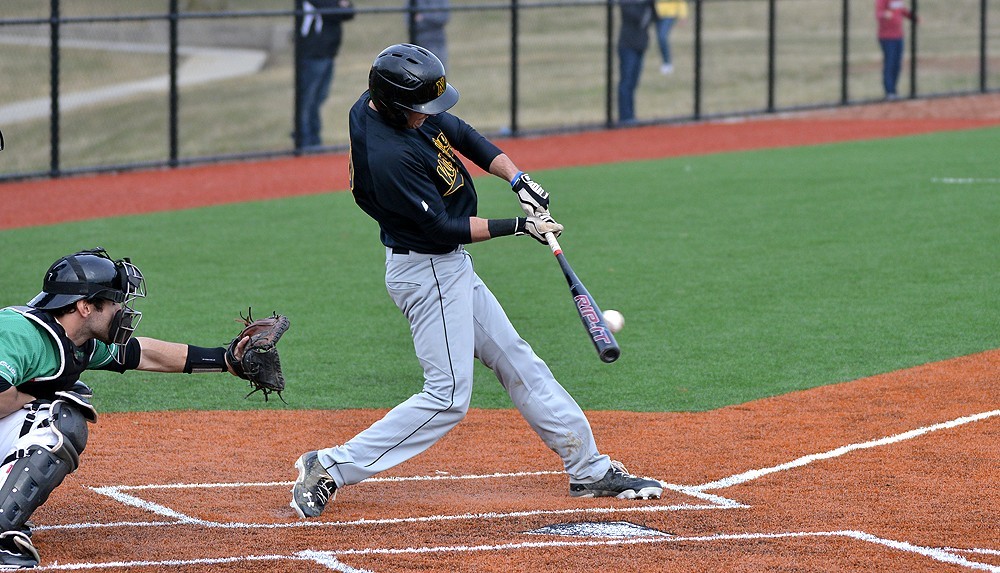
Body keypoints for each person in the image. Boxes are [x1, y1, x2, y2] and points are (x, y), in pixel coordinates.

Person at [289, 44, 664, 519]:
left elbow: (459, 131)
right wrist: (519, 225)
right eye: (421, 109)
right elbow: (441, 229)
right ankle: (329, 466)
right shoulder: (387, 158)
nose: (430, 116)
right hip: (425, 271)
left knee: (517, 359)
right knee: (446, 396)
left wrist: (516, 178)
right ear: (393, 106)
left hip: (447, 267)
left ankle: (588, 468)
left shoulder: (385, 107)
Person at [0, 247, 255, 569]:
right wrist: (39, 400)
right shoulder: (22, 333)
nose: (123, 309)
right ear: (85, 306)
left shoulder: (75, 342)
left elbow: (142, 354)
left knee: (57, 409)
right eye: (115, 302)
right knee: (58, 419)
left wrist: (225, 360)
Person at [296, 0, 355, 148]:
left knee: (319, 97)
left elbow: (349, 13)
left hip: (327, 52)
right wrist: (341, 6)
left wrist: (343, 6)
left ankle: (313, 139)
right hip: (312, 53)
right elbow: (335, 11)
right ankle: (305, 141)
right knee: (307, 100)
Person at [618, 0, 654, 123]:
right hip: (627, 45)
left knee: (633, 82)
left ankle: (631, 115)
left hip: (641, 45)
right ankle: (625, 117)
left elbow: (655, 15)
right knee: (626, 82)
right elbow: (636, 16)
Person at [875, 0, 917, 100]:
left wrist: (913, 17)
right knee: (889, 63)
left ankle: (894, 90)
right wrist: (884, 14)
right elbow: (878, 14)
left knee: (897, 64)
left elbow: (902, 10)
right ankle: (889, 91)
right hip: (887, 37)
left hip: (899, 36)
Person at [408, 0, 451, 69]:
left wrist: (424, 17)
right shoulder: (413, 2)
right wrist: (434, 15)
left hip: (438, 42)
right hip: (419, 43)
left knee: (440, 70)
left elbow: (444, 17)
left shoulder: (440, 2)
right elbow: (412, 23)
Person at [653, 0, 688, 75]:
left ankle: (667, 63)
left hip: (670, 14)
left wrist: (683, 15)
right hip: (657, 13)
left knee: (662, 37)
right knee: (659, 39)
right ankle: (665, 62)